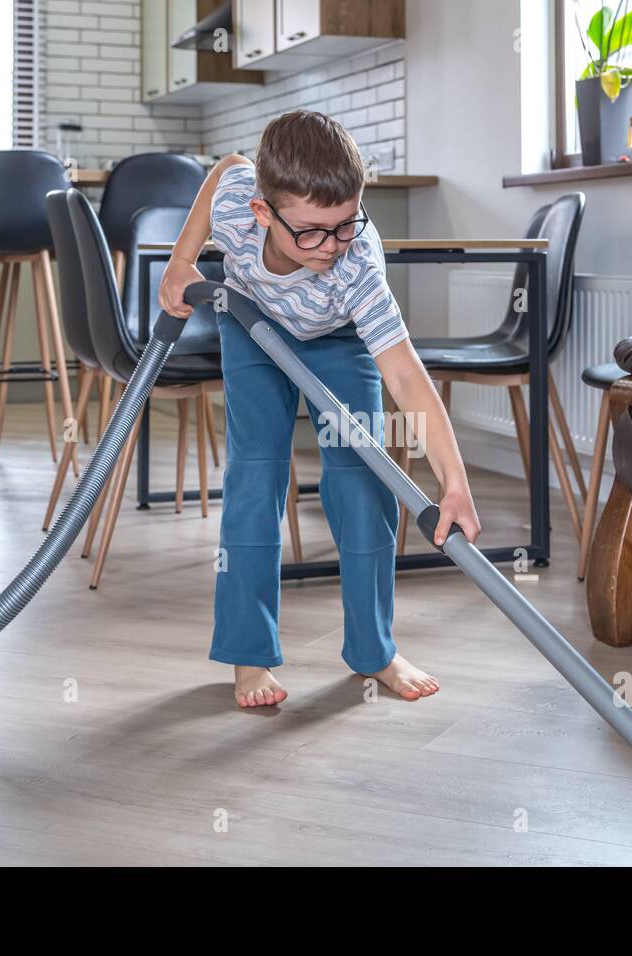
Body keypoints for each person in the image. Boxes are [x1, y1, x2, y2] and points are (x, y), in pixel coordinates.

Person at [158, 110, 481, 709]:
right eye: (311, 232)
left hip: (337, 342)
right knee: (255, 477)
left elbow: (407, 378)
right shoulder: (237, 204)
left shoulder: (356, 268)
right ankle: (249, 655)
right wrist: (184, 259)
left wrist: (454, 482)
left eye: (345, 225)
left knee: (363, 482)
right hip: (251, 333)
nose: (331, 246)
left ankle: (375, 649)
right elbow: (226, 169)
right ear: (263, 213)